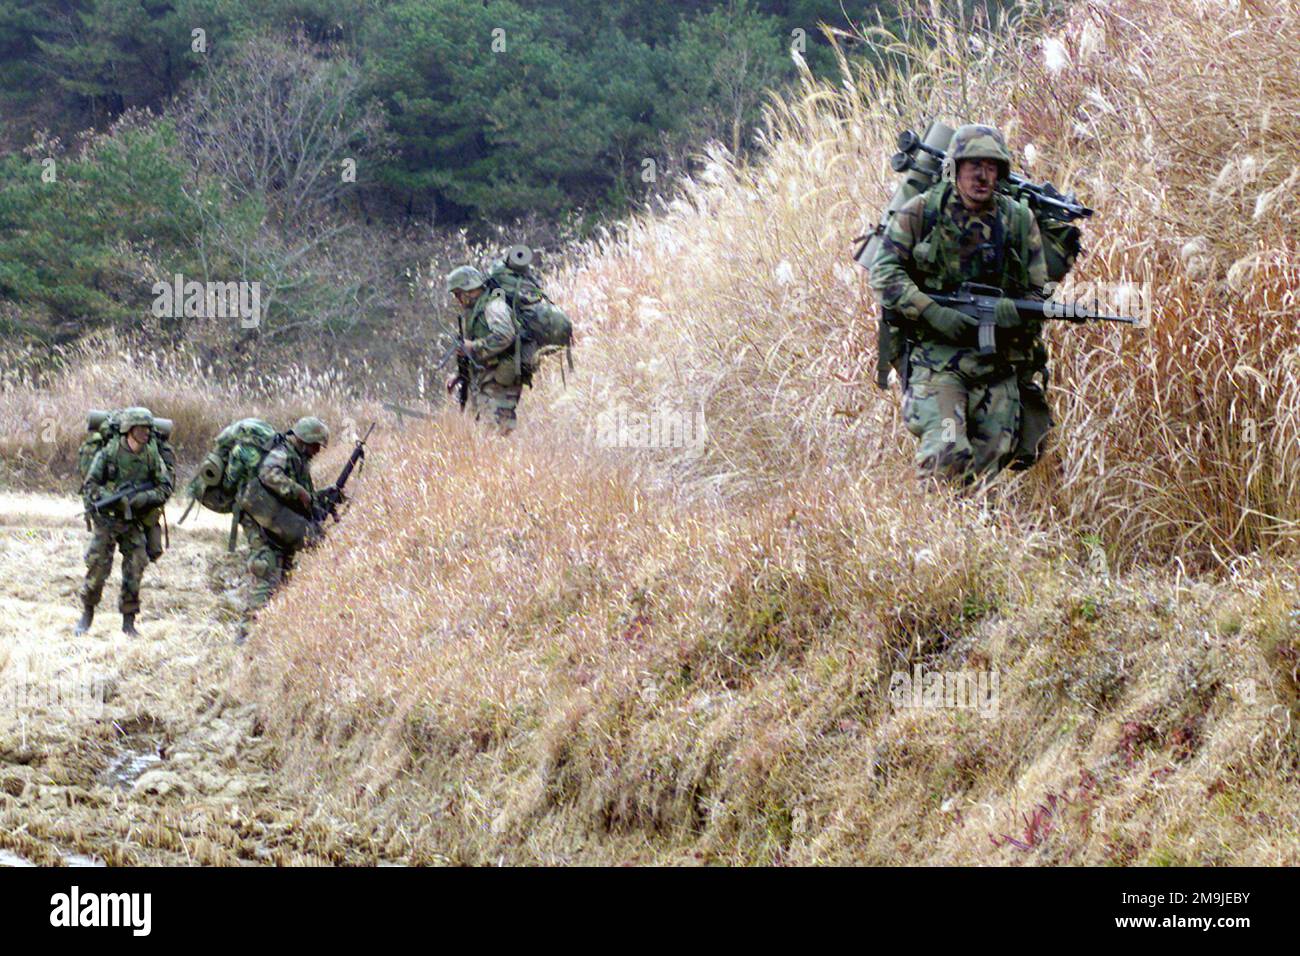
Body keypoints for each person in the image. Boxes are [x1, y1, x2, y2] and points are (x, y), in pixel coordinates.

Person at [870, 124, 1050, 482]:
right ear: (956, 168)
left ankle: (975, 532)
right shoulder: (922, 212)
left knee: (991, 464)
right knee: (947, 450)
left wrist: (1011, 315)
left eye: (990, 166)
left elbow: (1036, 295)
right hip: (936, 364)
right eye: (973, 166)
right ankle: (933, 531)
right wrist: (930, 311)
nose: (982, 176)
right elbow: (884, 274)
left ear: (1001, 172)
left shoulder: (1017, 220)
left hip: (995, 364)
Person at [76, 407, 173, 636]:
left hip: (134, 522)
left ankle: (128, 622)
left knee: (136, 567)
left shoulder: (151, 455)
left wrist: (142, 499)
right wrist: (111, 499)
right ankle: (87, 614)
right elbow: (90, 486)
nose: (146, 433)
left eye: (148, 429)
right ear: (129, 430)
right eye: (141, 429)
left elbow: (165, 487)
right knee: (97, 567)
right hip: (107, 519)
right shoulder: (108, 453)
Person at [238, 416, 331, 624]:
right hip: (259, 520)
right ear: (305, 441)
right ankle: (247, 632)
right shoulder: (282, 452)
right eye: (316, 446)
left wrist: (323, 497)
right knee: (267, 571)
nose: (318, 451)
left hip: (276, 520)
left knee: (283, 574)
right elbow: (268, 474)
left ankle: (268, 627)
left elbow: (305, 498)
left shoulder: (299, 458)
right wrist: (297, 491)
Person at [445, 265, 523, 434]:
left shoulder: (494, 307)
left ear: (469, 289)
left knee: (496, 434)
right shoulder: (475, 311)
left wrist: (473, 346)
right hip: (485, 380)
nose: (458, 299)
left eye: (458, 293)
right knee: (482, 433)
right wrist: (459, 374)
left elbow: (505, 336)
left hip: (499, 380)